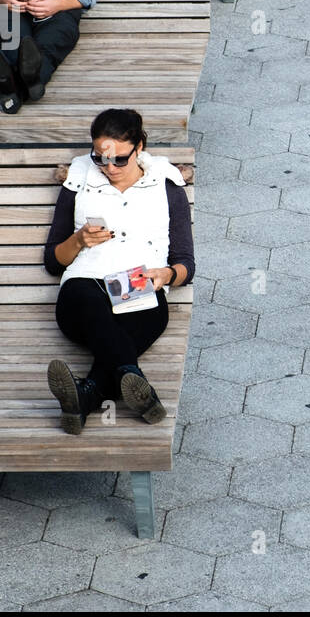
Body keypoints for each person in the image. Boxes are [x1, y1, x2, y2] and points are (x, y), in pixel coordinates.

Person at [42, 109, 194, 435]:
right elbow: (53, 262)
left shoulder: (167, 186)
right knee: (87, 298)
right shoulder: (79, 179)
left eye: (120, 160)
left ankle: (87, 396)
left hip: (138, 285)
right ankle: (135, 382)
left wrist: (166, 275)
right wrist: (79, 239)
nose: (109, 168)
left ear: (139, 147)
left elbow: (186, 262)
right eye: (100, 158)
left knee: (141, 314)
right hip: (84, 290)